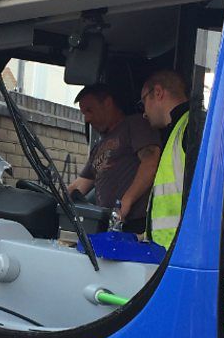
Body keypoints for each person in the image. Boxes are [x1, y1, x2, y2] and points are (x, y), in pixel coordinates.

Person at [67, 84, 161, 235]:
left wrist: (127, 201)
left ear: (108, 103)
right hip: (107, 225)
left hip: (134, 225)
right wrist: (58, 198)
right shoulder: (99, 147)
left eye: (90, 110)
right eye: (84, 113)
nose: (87, 119)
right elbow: (80, 184)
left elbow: (150, 161)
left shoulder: (135, 125)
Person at [139, 70, 201, 248]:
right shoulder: (179, 129)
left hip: (187, 254)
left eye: (143, 101)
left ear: (158, 93)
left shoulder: (191, 128)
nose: (144, 112)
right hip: (175, 252)